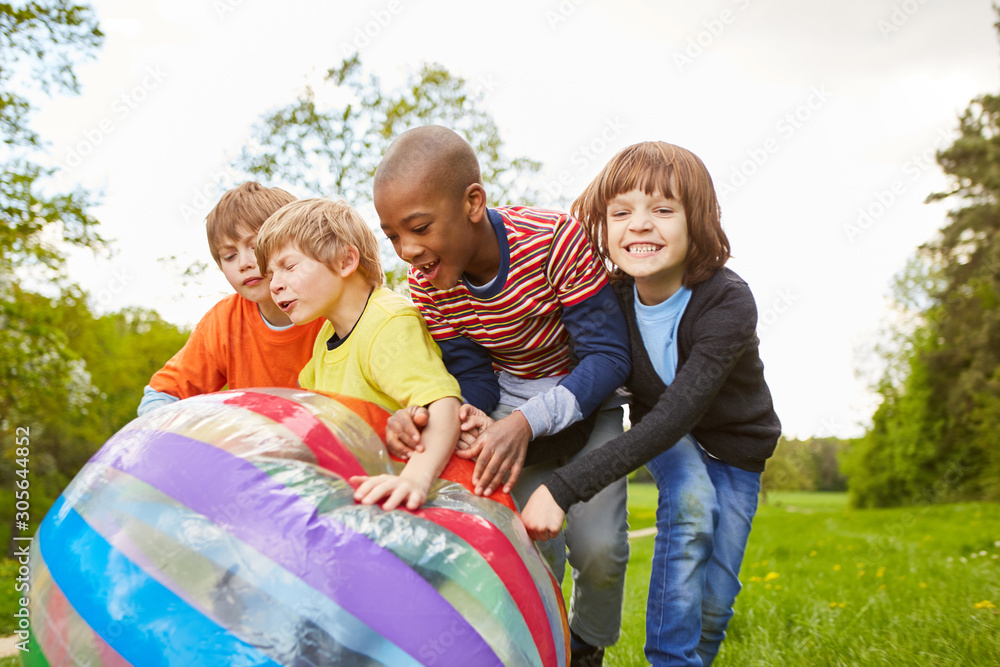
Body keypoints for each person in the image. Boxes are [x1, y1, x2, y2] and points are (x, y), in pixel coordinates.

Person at [373, 125, 632, 666]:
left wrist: (527, 422)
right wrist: (463, 411)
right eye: (393, 236)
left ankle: (586, 647)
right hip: (510, 417)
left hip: (587, 402)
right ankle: (546, 648)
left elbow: (608, 357)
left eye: (418, 228)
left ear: (473, 202)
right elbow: (475, 377)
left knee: (600, 550)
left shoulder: (554, 239)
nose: (407, 252)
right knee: (533, 548)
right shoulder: (430, 284)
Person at [520, 141, 782, 667]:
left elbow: (677, 411)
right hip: (671, 440)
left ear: (697, 220)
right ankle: (669, 659)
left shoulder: (727, 301)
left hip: (732, 448)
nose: (639, 225)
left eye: (662, 209)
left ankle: (695, 654)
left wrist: (565, 488)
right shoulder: (608, 298)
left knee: (717, 600)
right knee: (690, 509)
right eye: (621, 212)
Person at [253, 197, 464, 511]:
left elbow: (442, 403)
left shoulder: (388, 321)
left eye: (289, 267)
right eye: (271, 275)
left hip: (419, 499)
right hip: (363, 494)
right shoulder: (326, 335)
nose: (276, 285)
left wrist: (414, 480)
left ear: (344, 261)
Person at [137, 182, 324, 416]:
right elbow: (162, 394)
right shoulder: (225, 321)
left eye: (256, 247)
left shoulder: (329, 312)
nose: (244, 263)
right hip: (256, 448)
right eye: (229, 255)